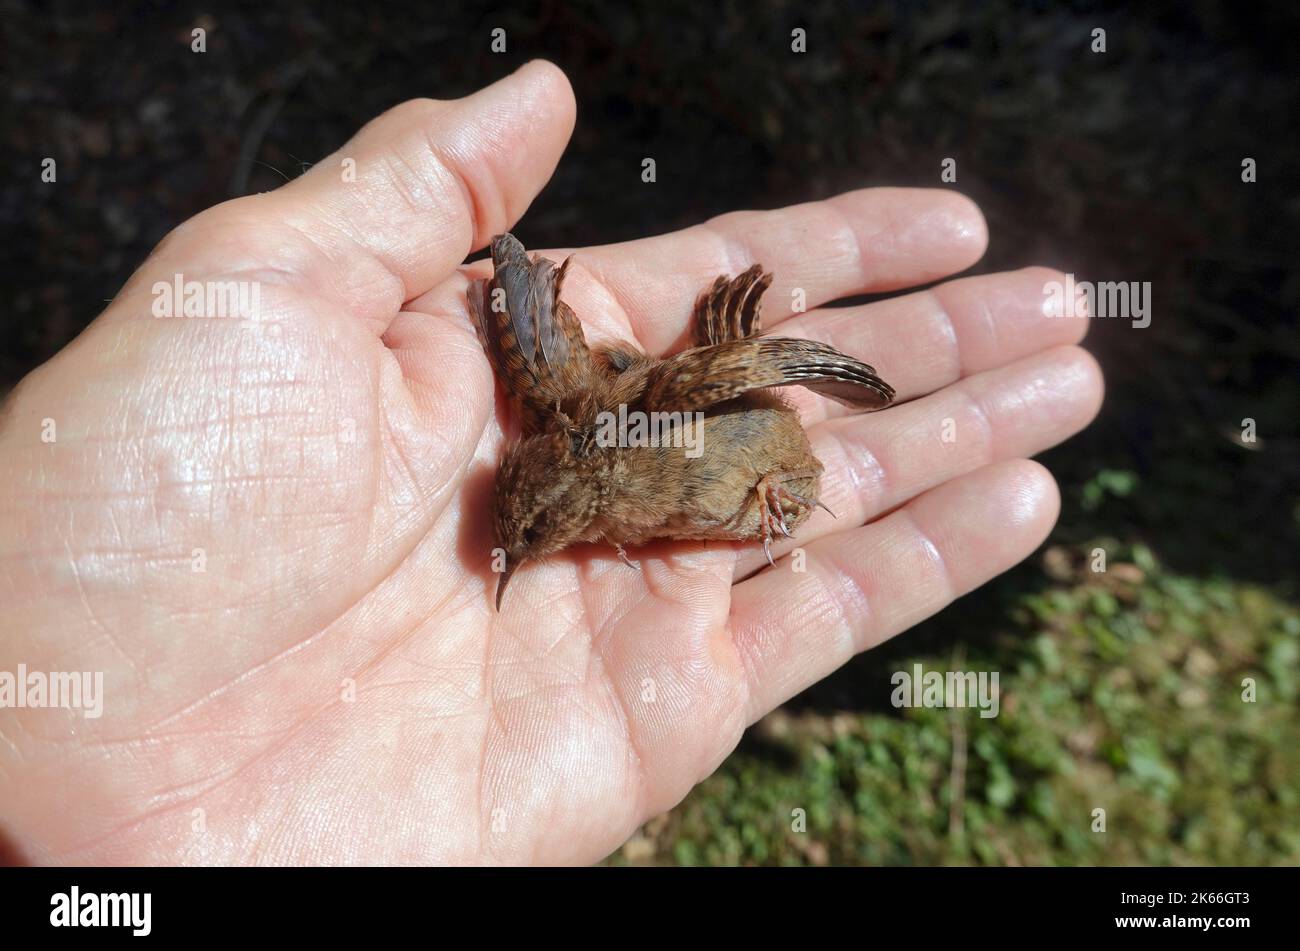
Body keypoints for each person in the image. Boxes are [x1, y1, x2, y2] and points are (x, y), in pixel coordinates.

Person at [0, 61, 1101, 865]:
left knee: (694, 411)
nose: (513, 550)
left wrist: (773, 372)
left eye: (522, 536)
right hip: (734, 463)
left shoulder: (611, 419)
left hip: (754, 450)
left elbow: (699, 382)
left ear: (565, 510)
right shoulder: (569, 420)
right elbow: (557, 358)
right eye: (518, 534)